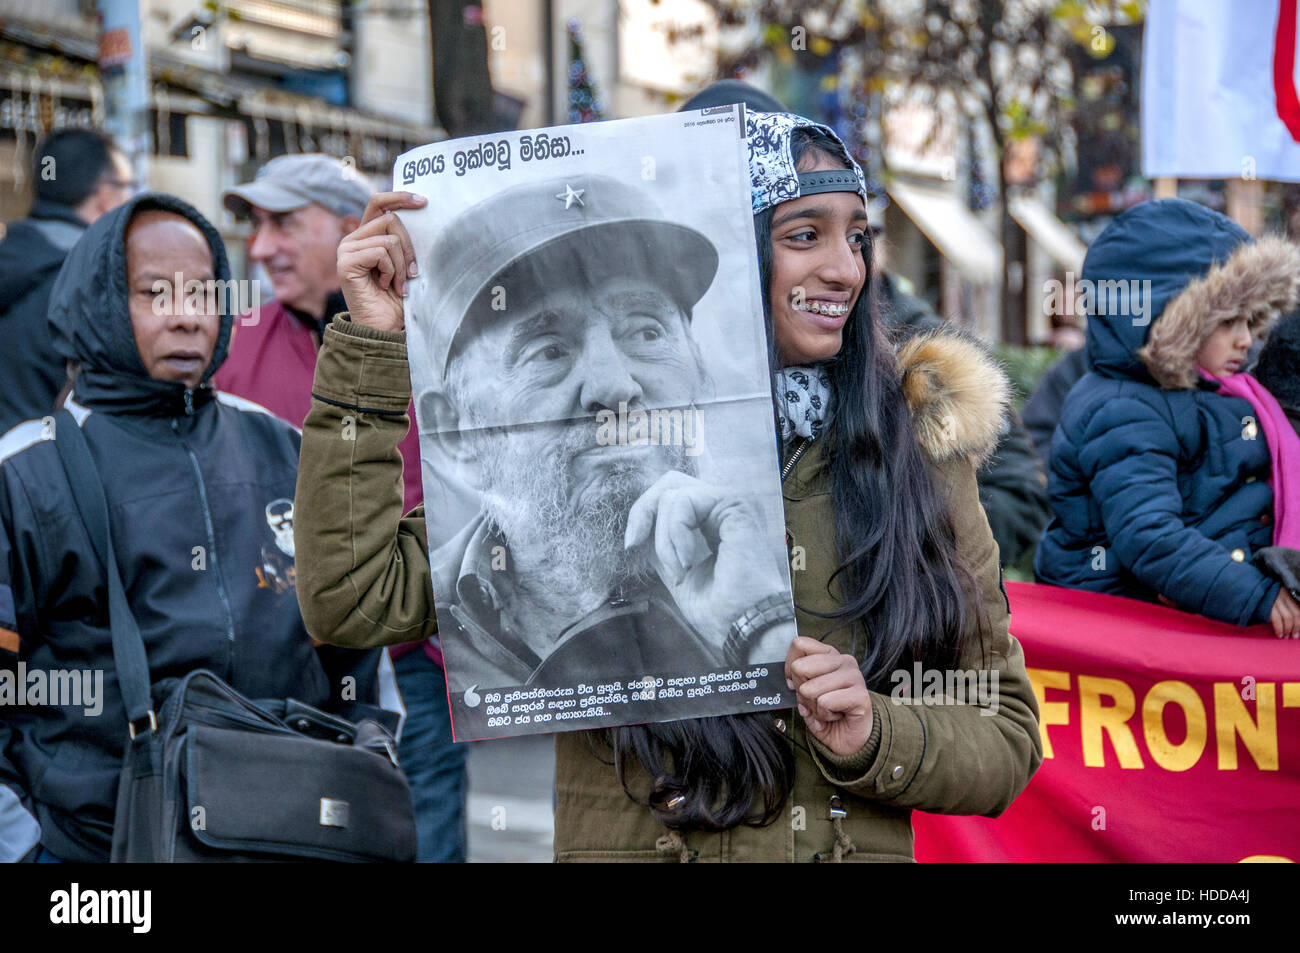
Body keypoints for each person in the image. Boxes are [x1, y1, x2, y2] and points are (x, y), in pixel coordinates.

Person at [294, 110, 1042, 862]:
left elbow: (1004, 733)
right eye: (803, 235)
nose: (845, 269)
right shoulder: (536, 516)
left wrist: (876, 731)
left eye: (855, 237)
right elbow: (348, 601)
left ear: (694, 354)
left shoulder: (913, 458)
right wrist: (372, 347)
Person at [0, 193, 377, 863]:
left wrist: (365, 770)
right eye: (154, 293)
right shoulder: (28, 472)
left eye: (203, 292)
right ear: (100, 302)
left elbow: (359, 648)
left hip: (285, 839)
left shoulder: (285, 450)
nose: (186, 317)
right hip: (92, 853)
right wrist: (25, 847)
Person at [217, 153, 464, 861]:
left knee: (420, 834)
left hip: (409, 649)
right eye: (256, 226)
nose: (262, 246)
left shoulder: (434, 328)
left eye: (285, 222)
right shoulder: (237, 337)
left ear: (353, 227)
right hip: (275, 651)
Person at [1035, 199, 1300, 638]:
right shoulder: (1123, 407)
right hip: (1115, 629)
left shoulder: (1216, 392)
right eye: (1227, 320)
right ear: (1171, 319)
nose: (1245, 340)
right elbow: (1150, 536)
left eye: (1251, 320)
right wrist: (1256, 595)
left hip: (1189, 605)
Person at [0, 129, 135, 433]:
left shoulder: (10, 255)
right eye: (127, 188)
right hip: (44, 471)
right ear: (104, 195)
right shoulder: (94, 280)